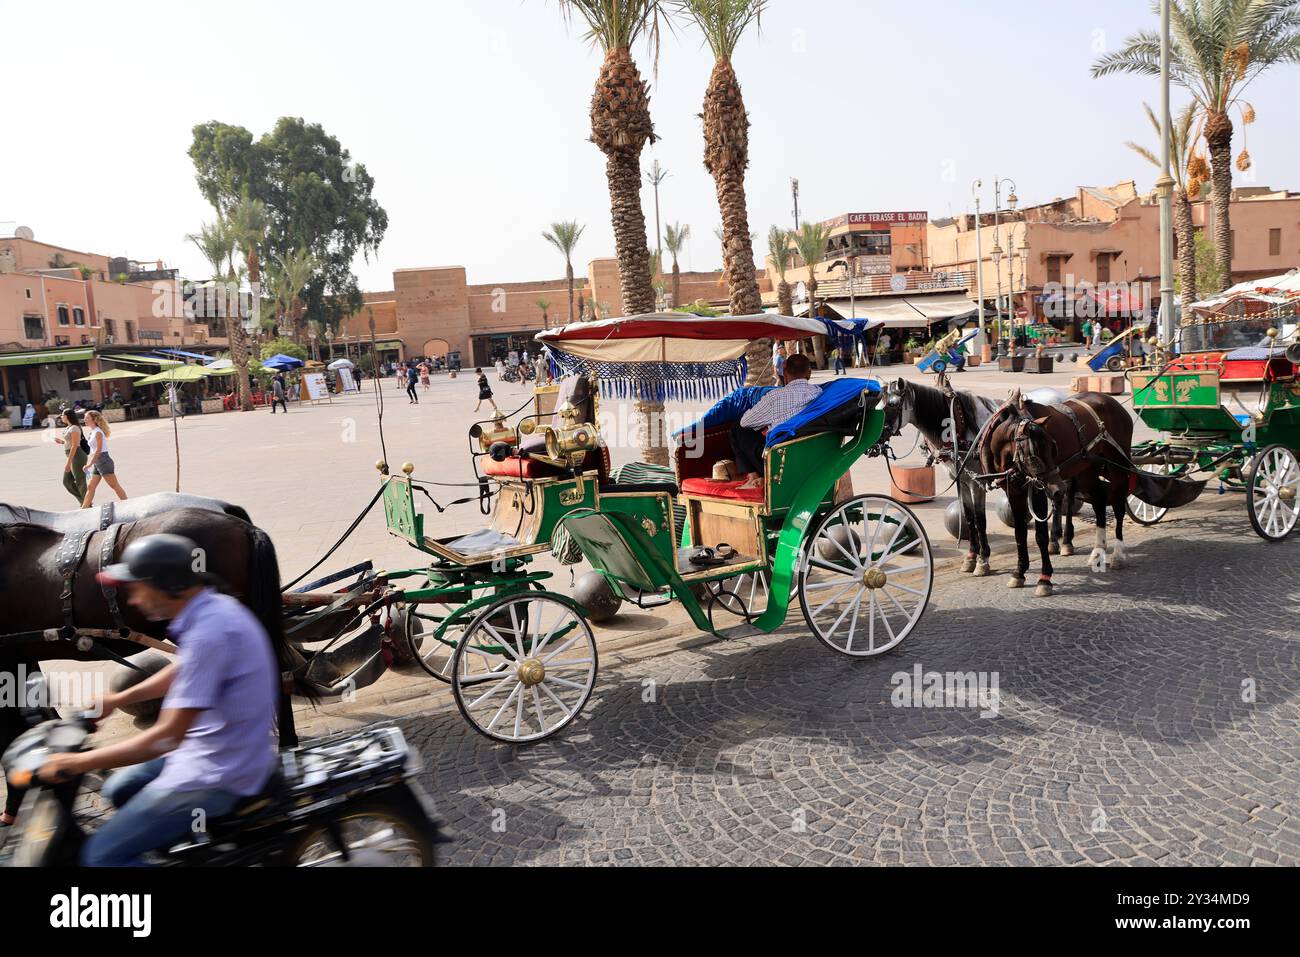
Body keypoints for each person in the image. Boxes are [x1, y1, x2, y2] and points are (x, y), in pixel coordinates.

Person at [36, 534, 279, 866]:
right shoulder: (210, 610)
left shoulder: (210, 632)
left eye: (137, 588)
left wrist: (78, 763)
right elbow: (186, 671)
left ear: (167, 585)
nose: (133, 600)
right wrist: (120, 697)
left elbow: (164, 737)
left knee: (100, 857)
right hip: (211, 748)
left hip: (219, 773)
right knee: (118, 790)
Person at [731, 353, 820, 491]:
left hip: (779, 461)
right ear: (809, 373)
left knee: (737, 428)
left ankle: (753, 477)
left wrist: (764, 423)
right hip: (809, 454)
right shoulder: (818, 393)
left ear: (784, 373)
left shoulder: (775, 397)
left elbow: (745, 422)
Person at [80, 409, 129, 508]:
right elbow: (93, 450)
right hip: (97, 462)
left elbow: (98, 450)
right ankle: (83, 510)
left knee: (114, 485)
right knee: (90, 487)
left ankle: (128, 505)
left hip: (103, 460)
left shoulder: (98, 432)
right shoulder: (93, 432)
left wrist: (89, 464)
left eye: (87, 418)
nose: (84, 419)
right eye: (84, 418)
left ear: (93, 419)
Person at [54, 408, 89, 503]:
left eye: (62, 415)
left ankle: (87, 504)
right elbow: (69, 442)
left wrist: (68, 463)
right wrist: (61, 442)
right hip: (71, 456)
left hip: (77, 456)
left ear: (67, 416)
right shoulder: (67, 428)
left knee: (80, 481)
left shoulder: (75, 428)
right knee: (67, 482)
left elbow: (75, 445)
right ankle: (84, 501)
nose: (61, 417)